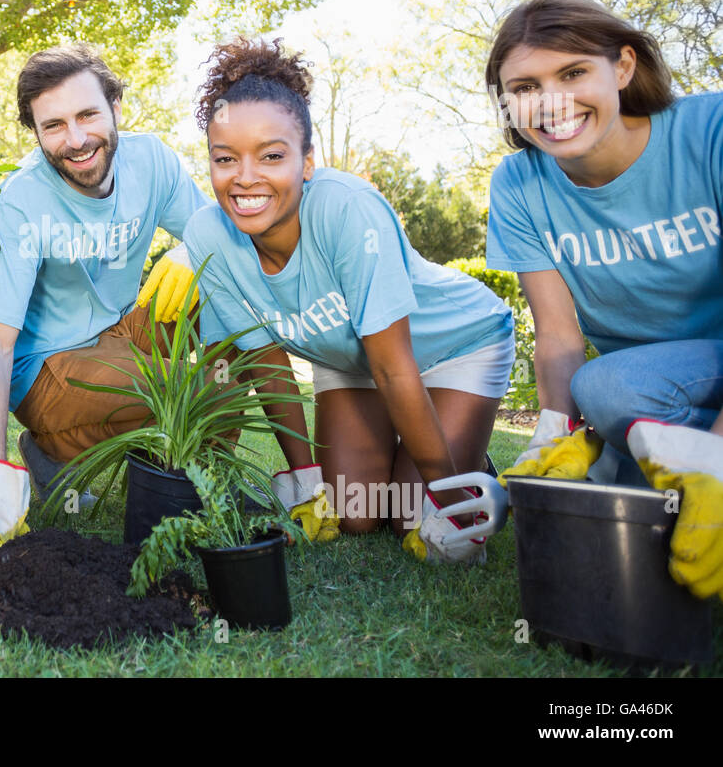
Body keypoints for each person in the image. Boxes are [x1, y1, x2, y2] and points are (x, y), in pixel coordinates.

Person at [182, 37, 515, 564]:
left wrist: (452, 508)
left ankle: (466, 465)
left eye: (271, 156)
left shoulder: (347, 209)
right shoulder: (206, 236)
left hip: (455, 346)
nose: (246, 177)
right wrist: (306, 485)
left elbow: (394, 365)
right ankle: (428, 447)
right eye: (226, 159)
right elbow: (264, 361)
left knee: (411, 513)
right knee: (356, 514)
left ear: (307, 161)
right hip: (351, 364)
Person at [485, 0, 723, 599]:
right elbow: (560, 336)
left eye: (572, 73)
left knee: (608, 387)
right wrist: (553, 439)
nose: (553, 102)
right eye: (526, 86)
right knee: (633, 543)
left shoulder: (710, 130)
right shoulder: (519, 184)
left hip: (645, 391)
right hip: (650, 398)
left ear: (621, 67)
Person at [0, 44, 212, 555]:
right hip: (48, 366)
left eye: (88, 114)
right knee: (191, 394)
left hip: (121, 334)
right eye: (54, 125)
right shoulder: (23, 198)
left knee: (218, 287)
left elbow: (222, 236)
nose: (77, 139)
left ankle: (175, 478)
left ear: (116, 107)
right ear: (36, 133)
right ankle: (80, 450)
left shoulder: (151, 160)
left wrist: (195, 250)